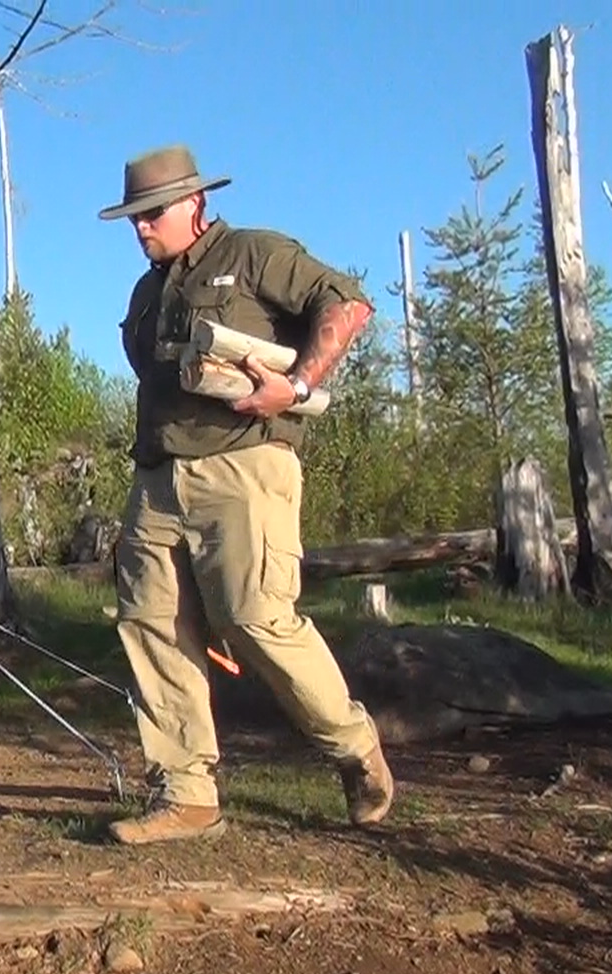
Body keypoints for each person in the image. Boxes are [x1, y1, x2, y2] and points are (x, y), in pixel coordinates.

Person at [96, 144, 393, 844]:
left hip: (246, 465)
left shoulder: (256, 254)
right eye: (133, 218)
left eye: (153, 213)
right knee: (151, 626)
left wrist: (299, 386)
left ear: (195, 204)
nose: (142, 228)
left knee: (257, 619)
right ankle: (187, 794)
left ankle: (354, 747)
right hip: (158, 477)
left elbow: (347, 305)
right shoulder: (147, 293)